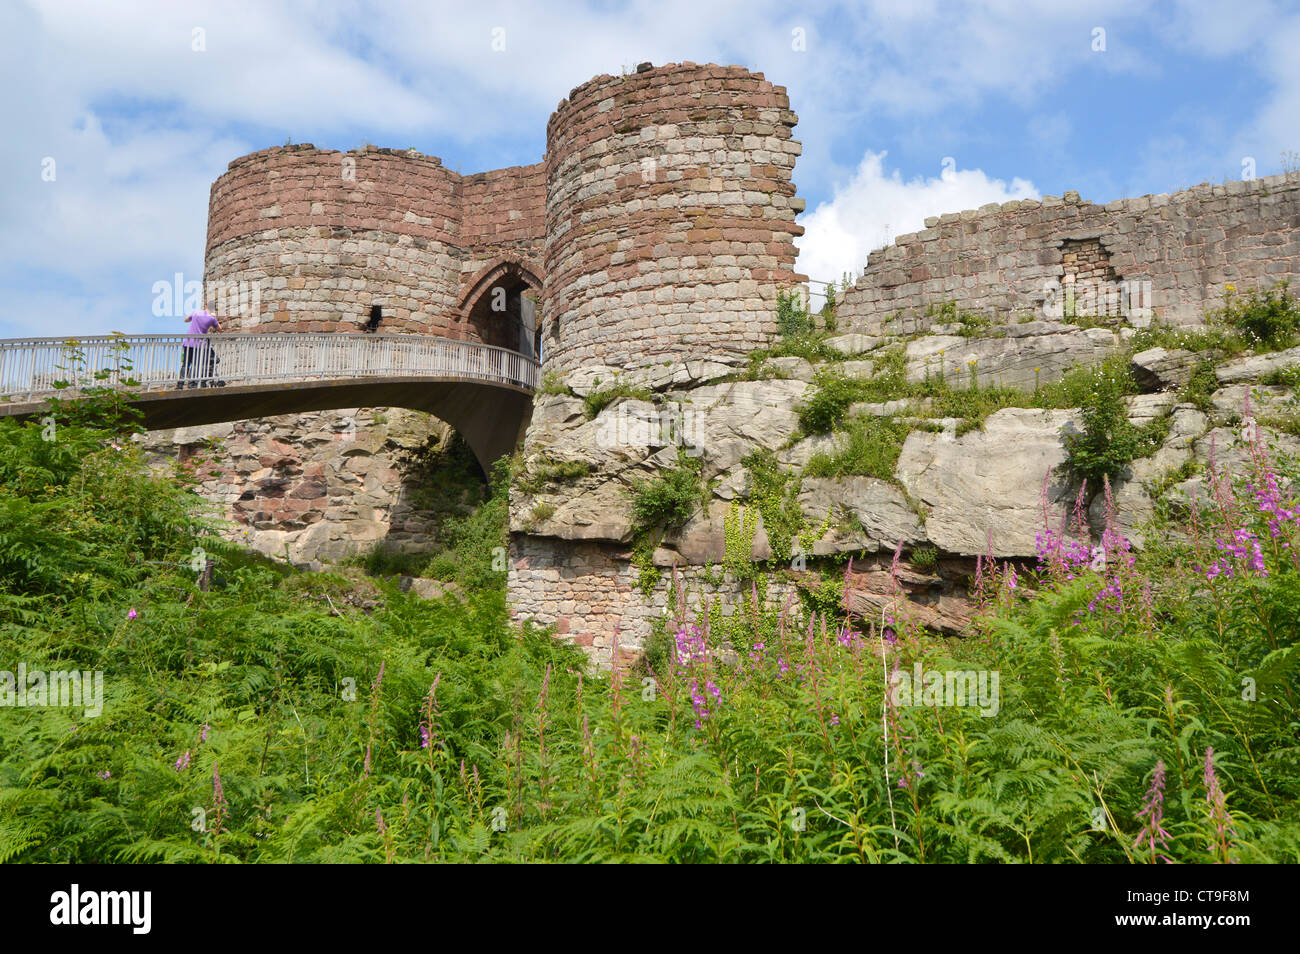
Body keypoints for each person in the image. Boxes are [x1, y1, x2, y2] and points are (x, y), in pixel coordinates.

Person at [178, 309, 221, 388]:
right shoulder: (211, 318)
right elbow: (219, 329)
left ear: (205, 307)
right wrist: (215, 319)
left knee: (185, 364)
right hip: (199, 345)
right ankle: (191, 384)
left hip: (188, 342)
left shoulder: (195, 312)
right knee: (195, 364)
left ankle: (180, 384)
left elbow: (186, 320)